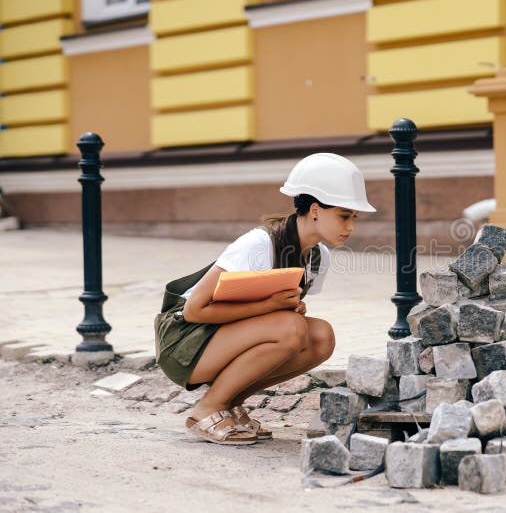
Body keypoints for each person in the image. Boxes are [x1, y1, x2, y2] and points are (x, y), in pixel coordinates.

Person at [154, 153, 376, 445]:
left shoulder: (318, 257)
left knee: (321, 337)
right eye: (344, 216)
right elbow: (195, 310)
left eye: (354, 218)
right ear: (315, 210)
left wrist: (289, 306)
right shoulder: (258, 244)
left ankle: (230, 402)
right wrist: (273, 307)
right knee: (291, 329)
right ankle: (207, 409)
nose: (351, 227)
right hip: (184, 343)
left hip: (221, 339)